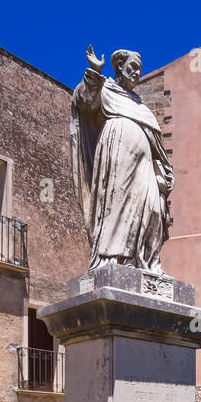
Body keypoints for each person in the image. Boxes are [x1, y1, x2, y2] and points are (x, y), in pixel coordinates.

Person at [70, 46, 174, 274]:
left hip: (145, 166)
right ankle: (114, 258)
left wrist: (164, 169)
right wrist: (94, 72)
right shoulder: (106, 88)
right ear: (119, 66)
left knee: (153, 209)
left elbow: (155, 142)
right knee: (117, 204)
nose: (137, 72)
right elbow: (84, 101)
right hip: (118, 158)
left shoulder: (140, 105)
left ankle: (146, 260)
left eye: (139, 69)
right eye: (133, 67)